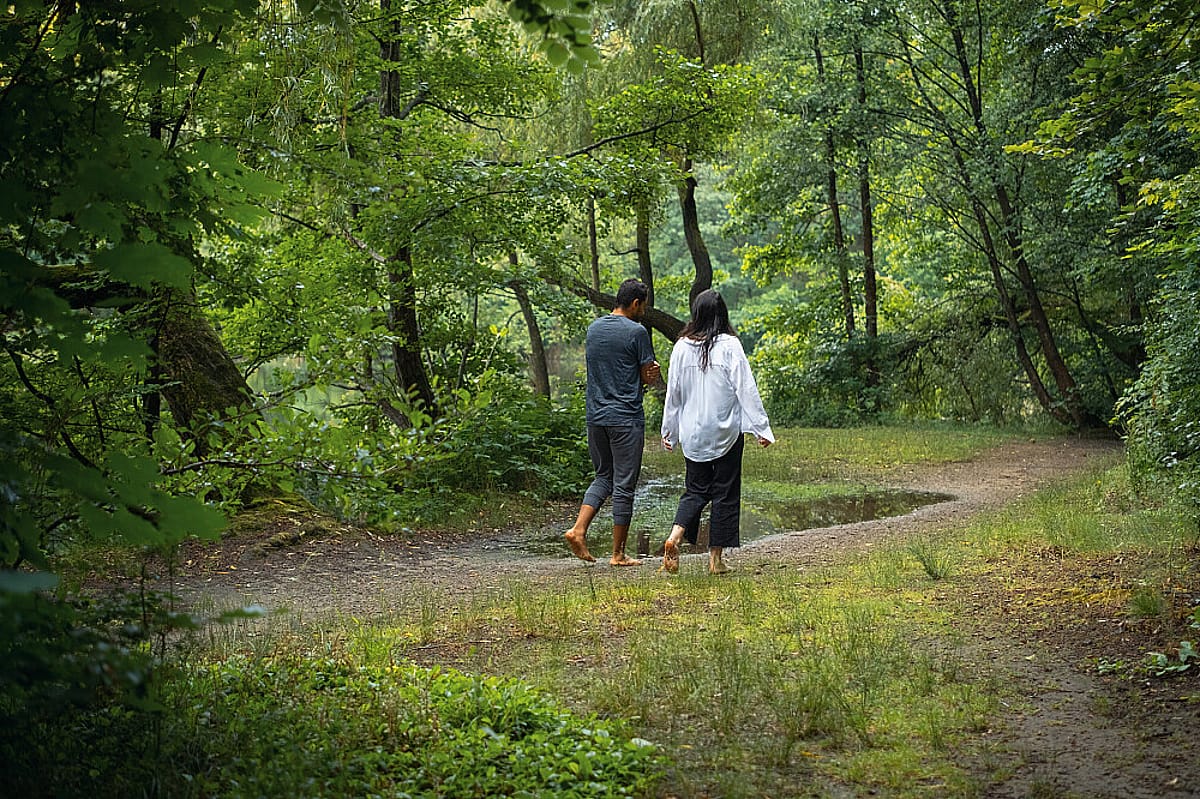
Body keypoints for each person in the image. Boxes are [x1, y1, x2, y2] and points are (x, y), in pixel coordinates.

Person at [659, 289, 774, 575]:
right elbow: (745, 388)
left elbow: (673, 393)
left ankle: (674, 537)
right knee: (725, 493)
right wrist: (761, 427)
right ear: (722, 314)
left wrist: (669, 431)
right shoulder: (730, 345)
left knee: (695, 489)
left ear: (696, 314)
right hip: (725, 431)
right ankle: (715, 560)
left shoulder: (681, 346)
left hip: (693, 432)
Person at [564, 278, 661, 566]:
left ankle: (578, 530)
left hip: (596, 417)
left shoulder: (594, 328)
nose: (644, 311)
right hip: (625, 418)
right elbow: (646, 376)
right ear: (635, 303)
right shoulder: (637, 332)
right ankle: (618, 554)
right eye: (643, 306)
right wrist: (652, 375)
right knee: (624, 485)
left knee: (603, 476)